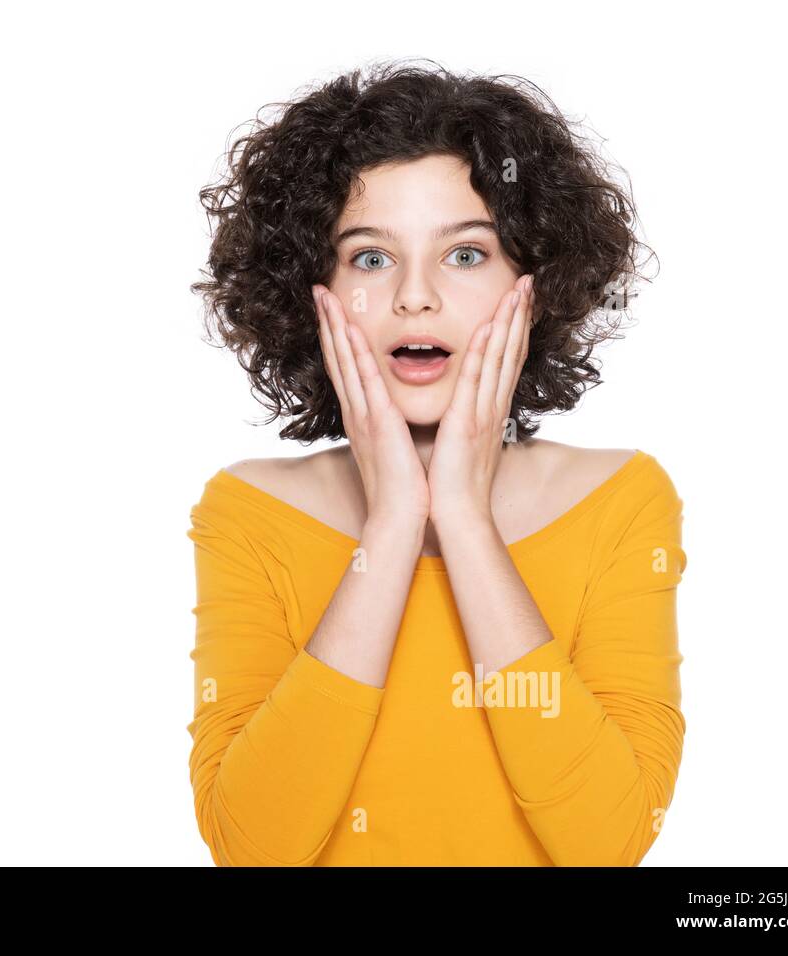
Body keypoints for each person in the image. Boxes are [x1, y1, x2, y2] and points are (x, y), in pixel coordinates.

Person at [184, 59, 686, 866]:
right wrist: (390, 525)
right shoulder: (248, 510)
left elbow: (608, 844)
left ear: (533, 284)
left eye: (465, 255)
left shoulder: (622, 499)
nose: (415, 297)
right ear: (312, 289)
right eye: (371, 258)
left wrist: (462, 513)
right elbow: (256, 848)